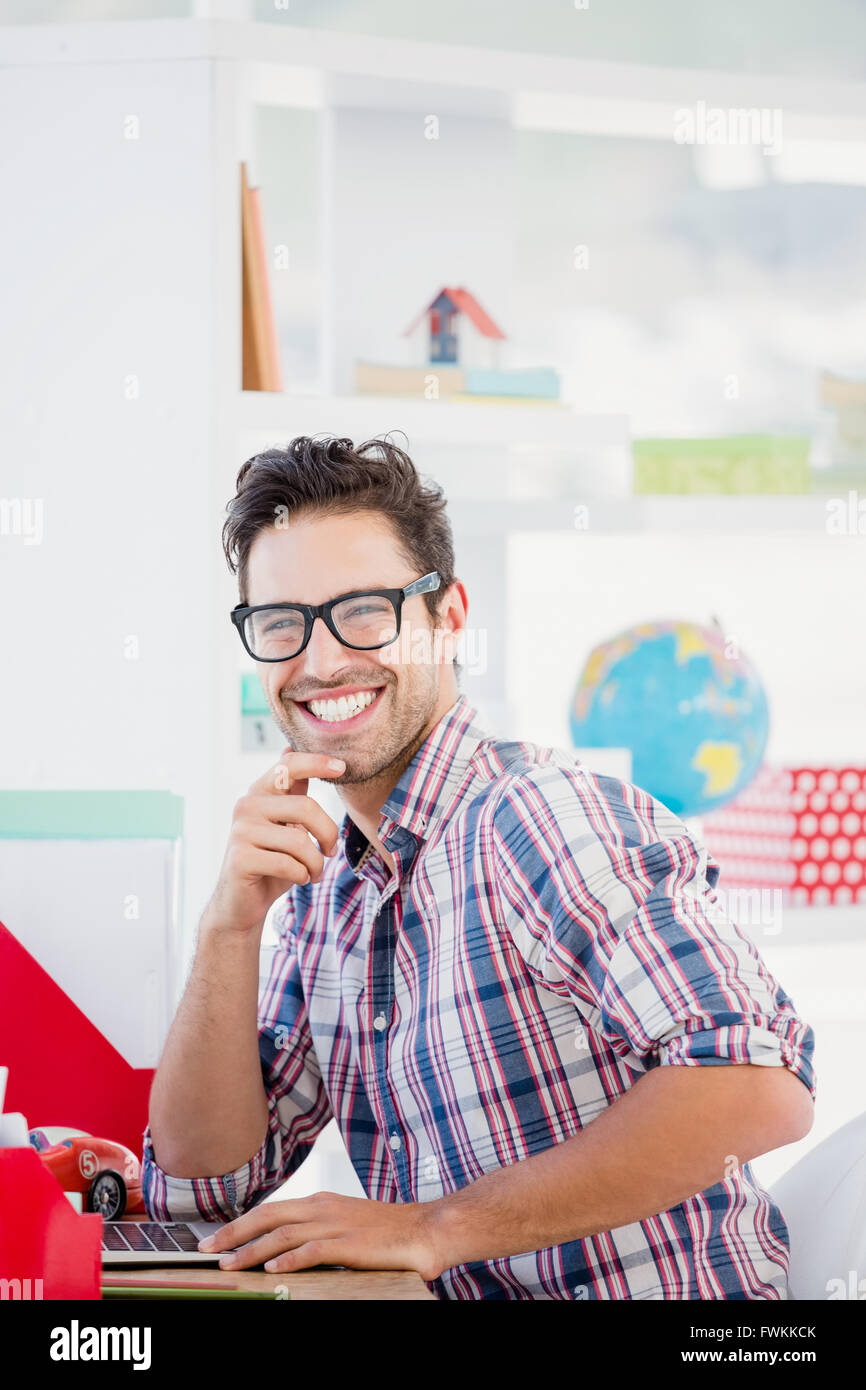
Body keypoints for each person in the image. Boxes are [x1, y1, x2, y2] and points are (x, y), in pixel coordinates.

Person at [143, 434, 816, 1300]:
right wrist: (228, 927)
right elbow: (205, 1184)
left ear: (449, 617)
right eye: (281, 624)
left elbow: (758, 1086)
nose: (318, 661)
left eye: (363, 610)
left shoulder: (538, 817)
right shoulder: (327, 891)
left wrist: (435, 1228)